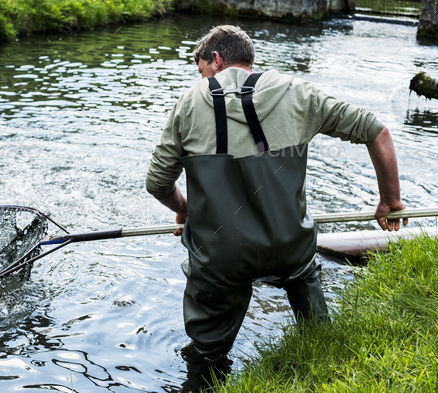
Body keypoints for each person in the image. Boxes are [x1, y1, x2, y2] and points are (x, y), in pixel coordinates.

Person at [145, 25, 408, 388]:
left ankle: (205, 372)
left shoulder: (190, 101)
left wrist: (185, 208)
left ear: (216, 60)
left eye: (201, 68)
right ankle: (322, 348)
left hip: (221, 255)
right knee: (303, 274)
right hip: (290, 247)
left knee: (206, 352)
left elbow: (157, 182)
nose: (202, 77)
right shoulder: (297, 92)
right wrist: (390, 199)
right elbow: (377, 131)